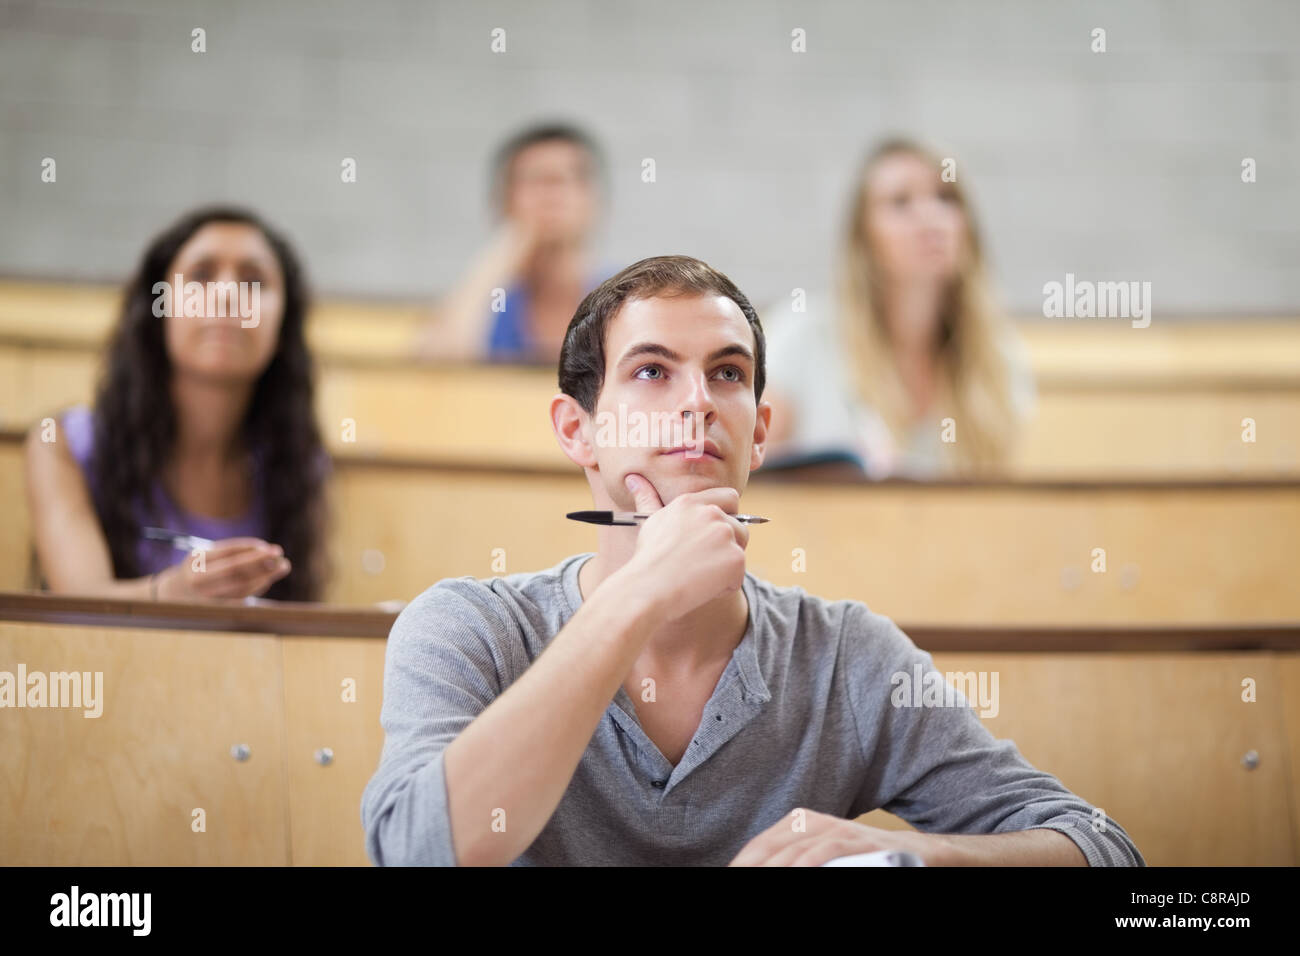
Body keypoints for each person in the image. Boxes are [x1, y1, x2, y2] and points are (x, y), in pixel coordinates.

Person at [361, 255, 1143, 867]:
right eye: (652, 371)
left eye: (727, 373)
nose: (698, 401)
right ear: (578, 431)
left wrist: (915, 853)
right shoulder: (467, 629)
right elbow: (416, 852)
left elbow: (1104, 847)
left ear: (760, 432)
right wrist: (638, 597)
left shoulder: (845, 657)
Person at [24, 206, 331, 602]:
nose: (227, 295)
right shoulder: (62, 444)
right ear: (159, 309)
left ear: (283, 324)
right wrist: (175, 592)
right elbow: (79, 607)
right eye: (200, 276)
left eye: (254, 281)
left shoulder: (299, 462)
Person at [763, 138, 1035, 479]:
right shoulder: (803, 336)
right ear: (864, 236)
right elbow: (756, 476)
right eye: (900, 202)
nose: (930, 218)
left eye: (946, 198)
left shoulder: (996, 358)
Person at [415, 122, 616, 365]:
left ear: (596, 201)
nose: (552, 193)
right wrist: (503, 251)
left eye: (569, 178)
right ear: (501, 202)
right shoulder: (491, 302)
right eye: (533, 179)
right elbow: (434, 366)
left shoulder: (625, 296)